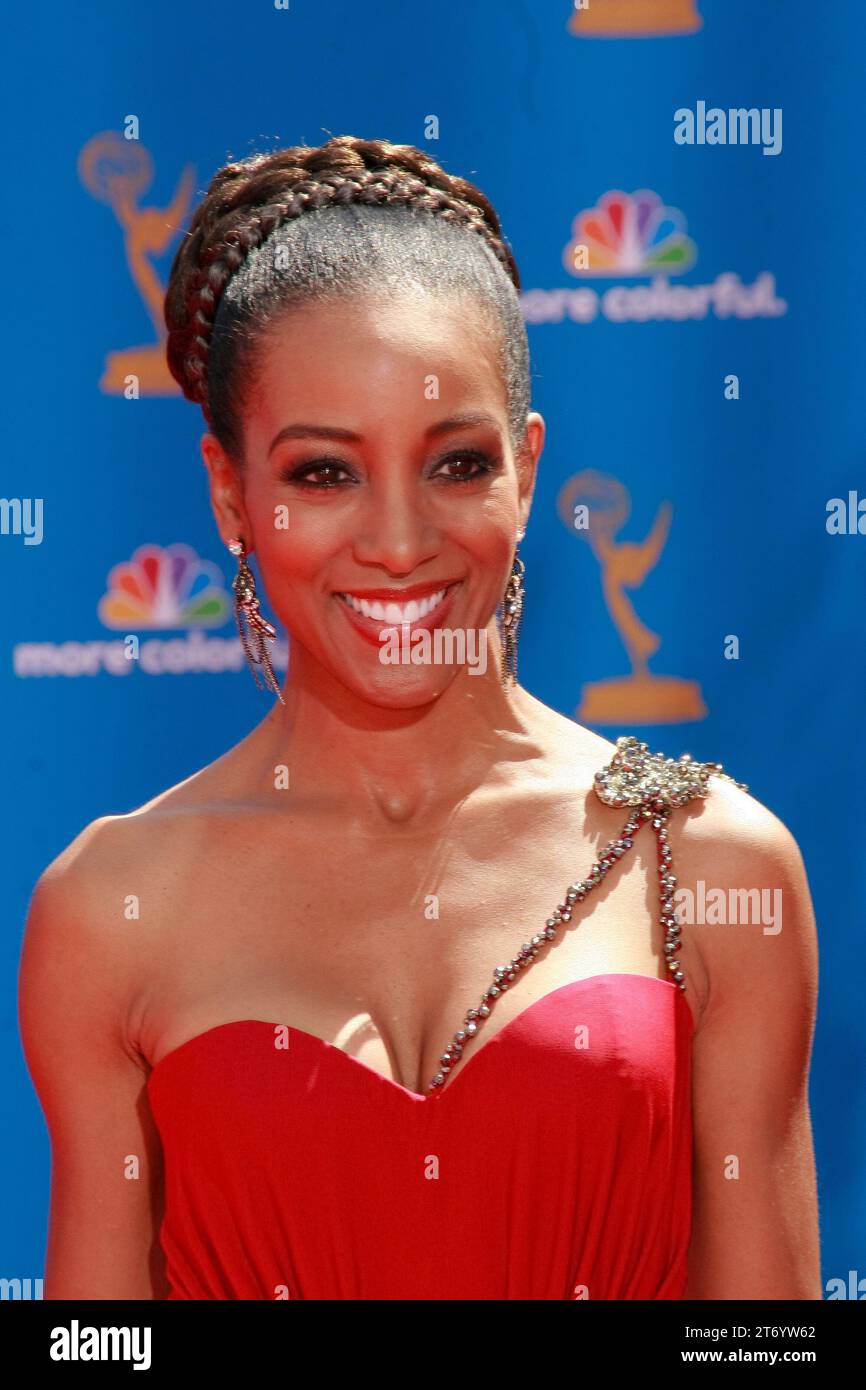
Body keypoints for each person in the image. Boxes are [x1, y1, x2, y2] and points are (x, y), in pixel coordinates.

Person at [19, 136, 821, 1300]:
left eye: (453, 463)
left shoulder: (708, 861)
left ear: (526, 470)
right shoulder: (109, 907)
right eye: (323, 475)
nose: (397, 542)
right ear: (229, 493)